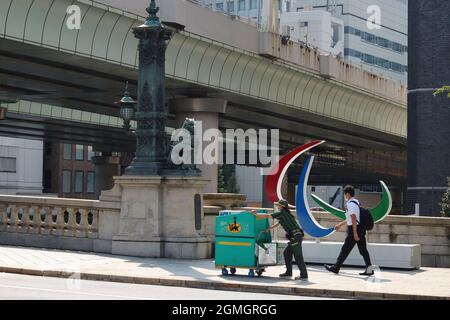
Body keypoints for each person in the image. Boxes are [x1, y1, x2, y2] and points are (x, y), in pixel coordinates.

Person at [252, 199, 308, 281]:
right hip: (295, 237)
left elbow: (269, 216)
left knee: (298, 256)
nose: (277, 206)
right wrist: (268, 229)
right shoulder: (286, 214)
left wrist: (256, 215)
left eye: (278, 205)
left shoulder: (282, 213)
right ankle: (288, 273)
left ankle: (304, 275)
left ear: (282, 206)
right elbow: (278, 224)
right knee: (287, 253)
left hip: (295, 237)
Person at [324, 185, 374, 276]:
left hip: (354, 230)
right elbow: (351, 218)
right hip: (359, 228)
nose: (344, 196)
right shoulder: (356, 203)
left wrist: (354, 233)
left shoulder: (350, 204)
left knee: (345, 249)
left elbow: (354, 218)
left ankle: (336, 267)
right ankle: (369, 269)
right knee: (363, 250)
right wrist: (340, 224)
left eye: (344, 194)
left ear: (347, 194)